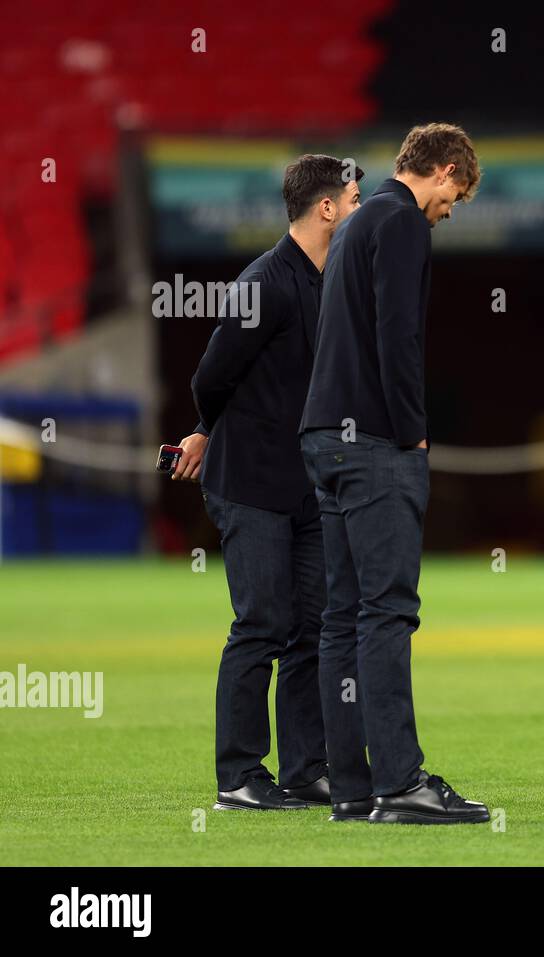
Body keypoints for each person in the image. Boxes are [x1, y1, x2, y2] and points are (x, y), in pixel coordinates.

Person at [299, 123, 490, 825]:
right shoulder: (402, 223)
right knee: (386, 612)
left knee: (341, 618)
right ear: (441, 172)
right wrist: (413, 432)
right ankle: (402, 782)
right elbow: (397, 334)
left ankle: (351, 786)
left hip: (325, 435)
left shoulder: (351, 224)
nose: (451, 210)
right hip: (375, 440)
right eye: (457, 197)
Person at [178, 154, 362, 811]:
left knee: (311, 627)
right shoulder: (267, 283)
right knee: (261, 622)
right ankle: (238, 775)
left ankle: (306, 767)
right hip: (250, 481)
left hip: (307, 482)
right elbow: (212, 374)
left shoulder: (334, 277)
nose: (361, 208)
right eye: (354, 197)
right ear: (326, 208)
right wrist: (207, 426)